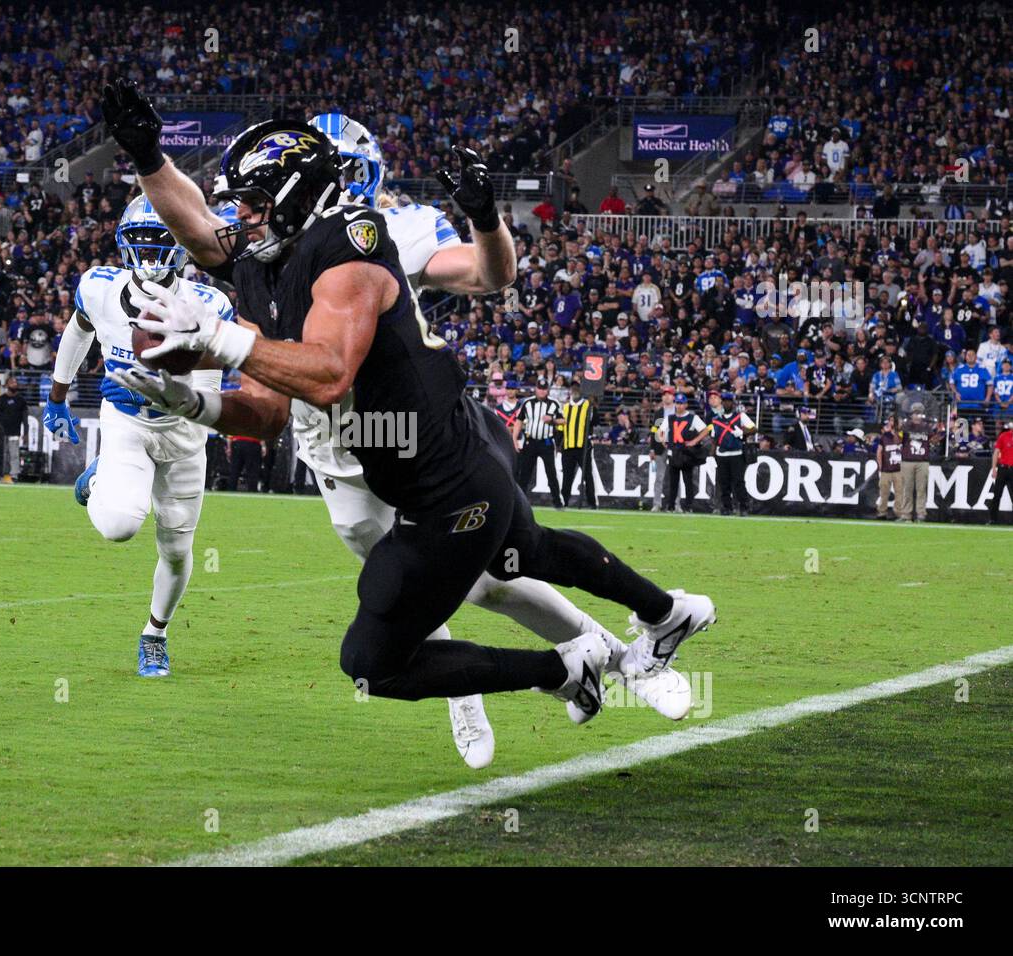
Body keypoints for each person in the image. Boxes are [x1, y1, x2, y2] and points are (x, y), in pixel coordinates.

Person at [101, 87, 713, 744]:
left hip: (419, 447)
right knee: (510, 560)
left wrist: (485, 219)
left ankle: (592, 665)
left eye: (253, 202)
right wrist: (147, 155)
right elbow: (208, 247)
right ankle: (654, 618)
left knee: (451, 607)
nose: (238, 216)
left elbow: (466, 290)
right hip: (357, 447)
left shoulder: (357, 242)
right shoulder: (263, 254)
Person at [44, 193, 231, 678]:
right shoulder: (100, 288)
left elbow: (208, 393)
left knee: (176, 547)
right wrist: (57, 395)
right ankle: (104, 474)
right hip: (126, 422)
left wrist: (167, 389)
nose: (149, 255)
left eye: (159, 243)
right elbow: (78, 330)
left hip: (184, 434)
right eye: (140, 244)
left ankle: (154, 634)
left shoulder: (208, 305)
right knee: (120, 526)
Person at [513, 379, 564, 508]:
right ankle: (519, 502)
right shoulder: (527, 403)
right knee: (524, 473)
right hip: (530, 442)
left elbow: (563, 420)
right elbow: (519, 421)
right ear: (536, 388)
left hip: (546, 442)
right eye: (540, 388)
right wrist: (514, 438)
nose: (542, 391)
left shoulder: (554, 403)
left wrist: (552, 420)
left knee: (551, 473)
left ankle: (557, 502)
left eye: (544, 388)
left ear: (548, 390)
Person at [706, 390, 755, 516]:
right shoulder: (716, 420)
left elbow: (754, 428)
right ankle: (727, 507)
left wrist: (742, 432)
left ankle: (744, 507)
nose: (727, 404)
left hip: (736, 453)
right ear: (722, 403)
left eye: (729, 402)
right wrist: (711, 456)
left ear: (732, 404)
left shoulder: (740, 416)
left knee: (739, 482)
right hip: (722, 455)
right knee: (724, 484)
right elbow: (714, 439)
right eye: (725, 401)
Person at [662, 393, 710, 513]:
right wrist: (663, 441)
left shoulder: (692, 417)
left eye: (681, 403)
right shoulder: (670, 418)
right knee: (673, 481)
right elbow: (661, 430)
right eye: (677, 403)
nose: (679, 406)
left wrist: (695, 441)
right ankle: (671, 505)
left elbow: (706, 430)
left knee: (687, 481)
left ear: (686, 404)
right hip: (674, 452)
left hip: (686, 452)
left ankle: (688, 506)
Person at [559, 379, 595, 508]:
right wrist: (559, 444)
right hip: (568, 446)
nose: (575, 390)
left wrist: (593, 405)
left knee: (587, 475)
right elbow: (560, 427)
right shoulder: (565, 407)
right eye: (573, 388)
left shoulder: (587, 405)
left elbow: (594, 421)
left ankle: (592, 502)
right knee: (567, 476)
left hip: (583, 446)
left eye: (577, 388)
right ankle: (564, 501)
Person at [899, 402, 932, 522]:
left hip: (922, 461)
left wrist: (939, 433)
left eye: (919, 413)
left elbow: (933, 441)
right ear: (911, 415)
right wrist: (898, 428)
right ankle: (905, 514)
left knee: (921, 489)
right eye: (915, 413)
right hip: (907, 460)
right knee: (906, 488)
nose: (917, 416)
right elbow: (898, 440)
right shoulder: (905, 426)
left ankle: (921, 514)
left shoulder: (927, 427)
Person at [0, 375, 28, 484]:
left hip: (15, 431)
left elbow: (25, 417)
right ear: (7, 385)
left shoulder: (21, 400)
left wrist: (26, 432)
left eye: (15, 382)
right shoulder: (2, 398)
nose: (14, 384)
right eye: (12, 382)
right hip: (2, 432)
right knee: (0, 453)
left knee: (14, 454)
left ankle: (14, 475)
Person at [876, 416, 904, 520]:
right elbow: (879, 451)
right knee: (884, 492)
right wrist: (880, 466)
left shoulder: (903, 436)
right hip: (886, 469)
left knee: (900, 493)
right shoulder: (885, 436)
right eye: (893, 421)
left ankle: (899, 513)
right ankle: (881, 512)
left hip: (899, 469)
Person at [991, 420, 1013, 525]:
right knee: (997, 495)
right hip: (1003, 469)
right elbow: (996, 452)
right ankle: (993, 519)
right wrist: (994, 468)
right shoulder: (1003, 436)